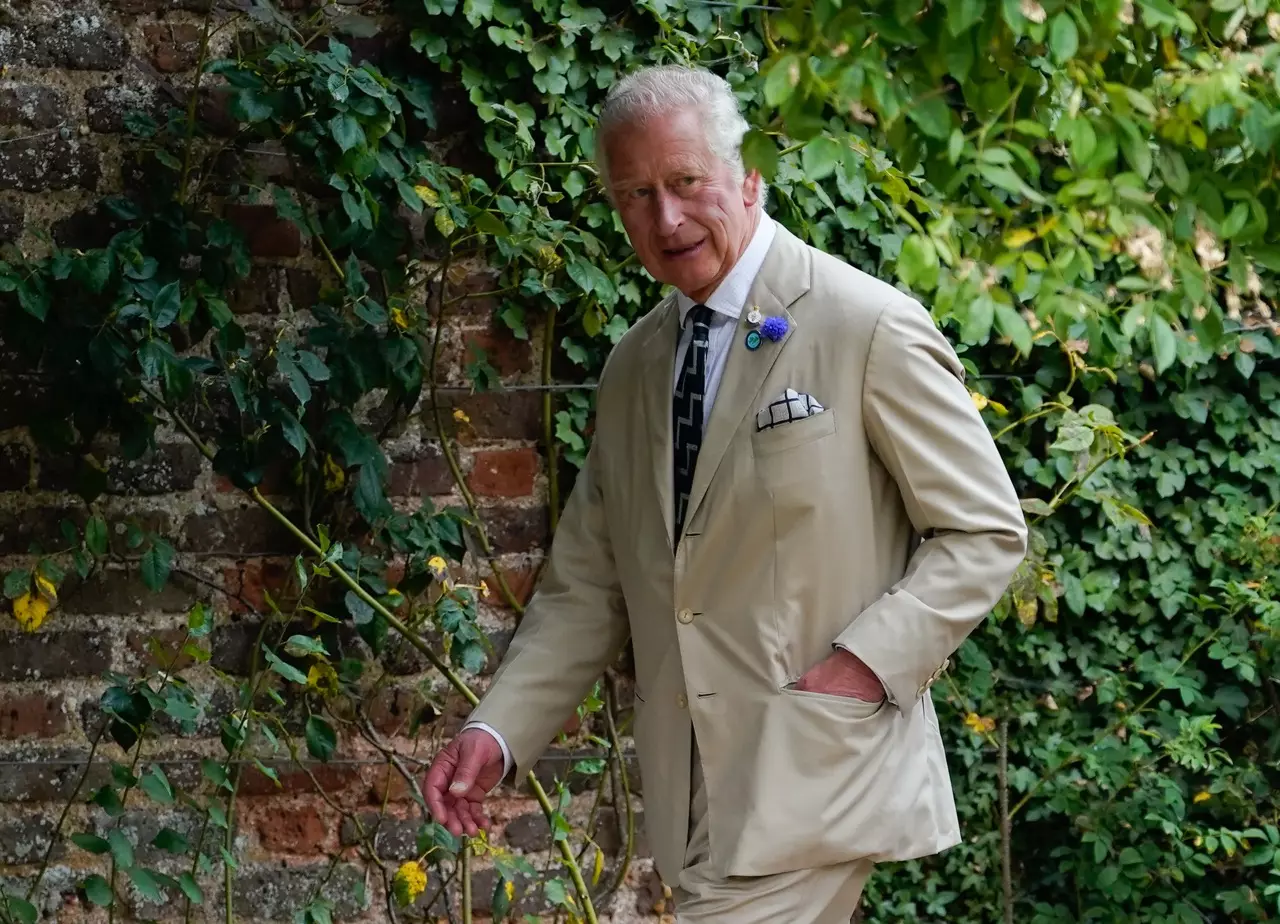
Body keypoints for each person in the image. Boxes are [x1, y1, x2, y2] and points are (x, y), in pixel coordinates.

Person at [424, 64, 1028, 923]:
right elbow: (588, 585)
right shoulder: (634, 366)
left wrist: (861, 668)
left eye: (684, 182)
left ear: (748, 174)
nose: (664, 218)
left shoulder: (867, 325)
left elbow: (983, 532)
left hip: (815, 776)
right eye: (635, 194)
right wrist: (497, 730)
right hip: (695, 799)